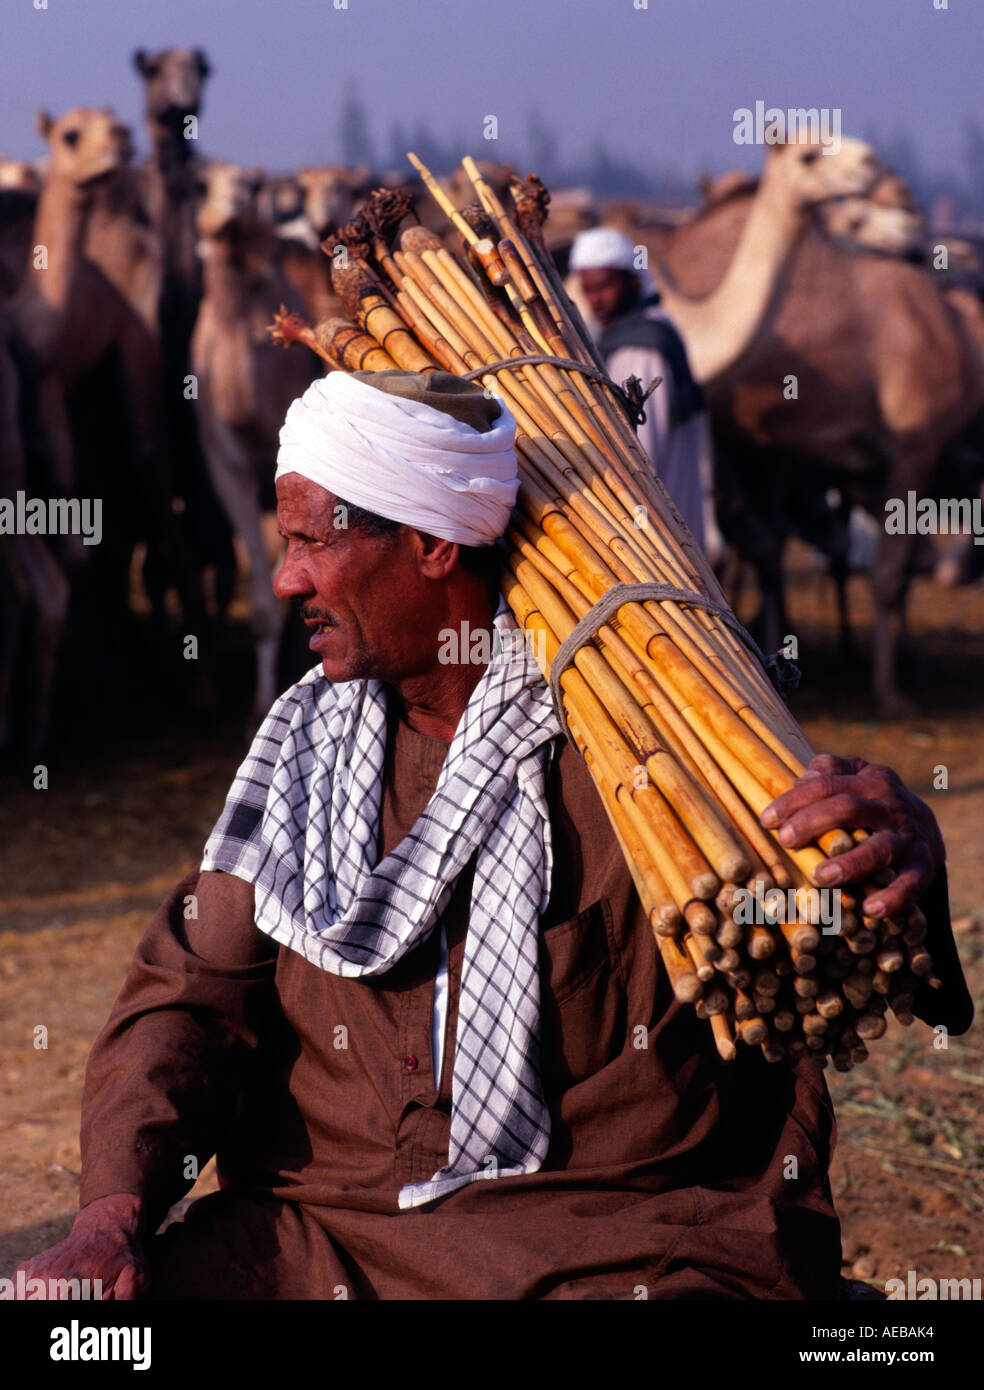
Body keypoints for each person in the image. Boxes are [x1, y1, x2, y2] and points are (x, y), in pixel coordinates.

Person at [15, 371, 972, 1300]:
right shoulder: (304, 753)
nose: (282, 579)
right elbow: (191, 996)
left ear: (433, 546)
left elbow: (844, 930)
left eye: (312, 543)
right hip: (326, 1243)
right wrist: (110, 1217)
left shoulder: (655, 763)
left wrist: (901, 863)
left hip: (615, 1245)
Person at [569, 226, 720, 558]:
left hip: (655, 535)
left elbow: (640, 453)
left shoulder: (639, 348)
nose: (596, 299)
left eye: (605, 286)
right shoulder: (651, 328)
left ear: (634, 281)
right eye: (588, 289)